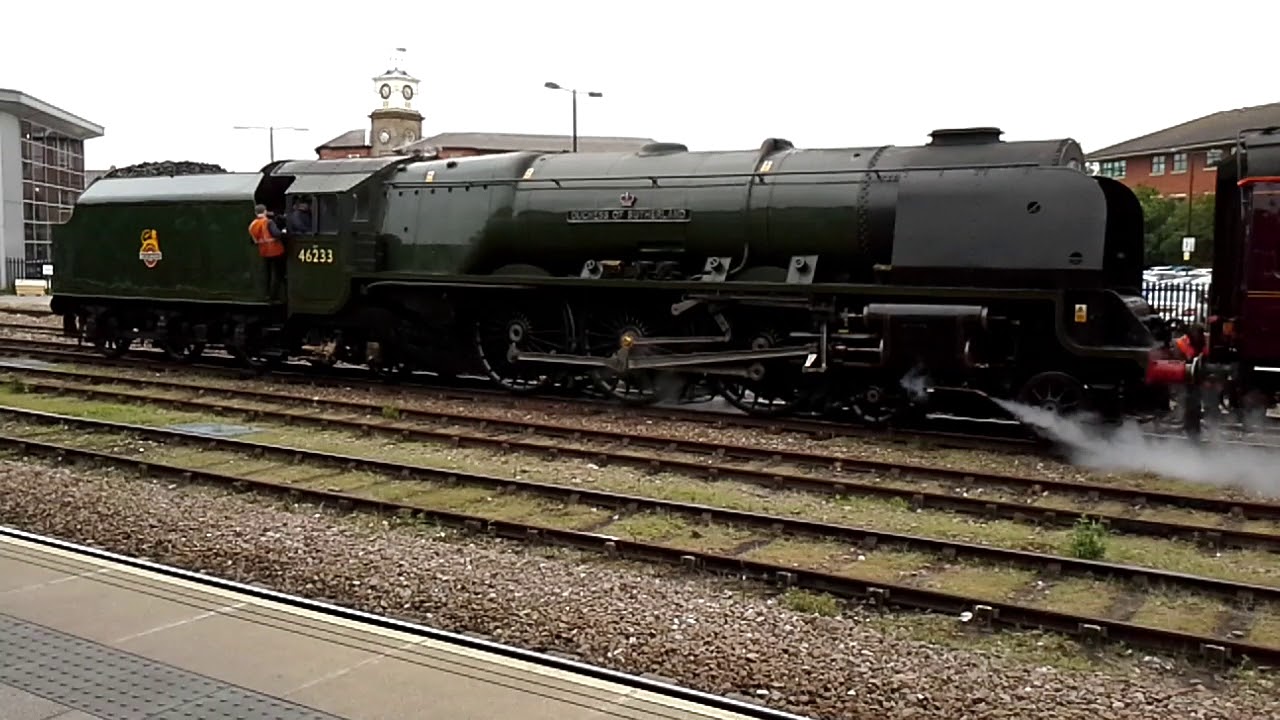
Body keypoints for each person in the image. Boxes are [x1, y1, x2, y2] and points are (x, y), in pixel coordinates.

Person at [248, 204, 286, 301]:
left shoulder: (252, 224)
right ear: (265, 211)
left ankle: (267, 294)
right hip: (276, 250)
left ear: (256, 213)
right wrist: (283, 232)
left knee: (268, 273)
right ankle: (277, 295)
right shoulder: (268, 222)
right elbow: (276, 234)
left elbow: (253, 240)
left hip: (263, 251)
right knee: (278, 273)